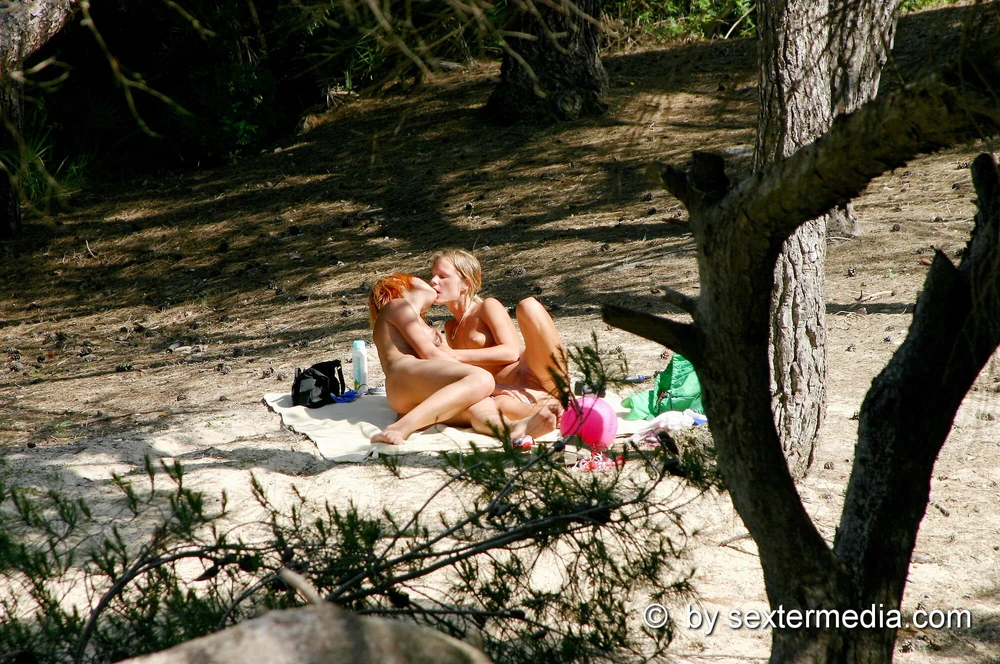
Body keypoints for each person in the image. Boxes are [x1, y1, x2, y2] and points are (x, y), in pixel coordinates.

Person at [367, 273, 556, 445]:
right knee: (482, 379)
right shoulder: (397, 305)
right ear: (399, 283)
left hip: (419, 391)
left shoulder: (418, 321)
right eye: (419, 278)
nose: (431, 281)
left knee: (481, 407)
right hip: (402, 377)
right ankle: (399, 429)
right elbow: (430, 355)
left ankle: (511, 429)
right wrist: (494, 386)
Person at [429, 249, 568, 418]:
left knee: (528, 306)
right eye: (433, 276)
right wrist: (496, 388)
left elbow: (511, 352)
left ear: (465, 284)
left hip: (537, 372)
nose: (433, 281)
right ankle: (553, 412)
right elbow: (465, 374)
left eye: (442, 276)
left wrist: (454, 354)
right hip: (513, 390)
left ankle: (563, 392)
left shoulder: (487, 307)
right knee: (495, 407)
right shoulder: (450, 327)